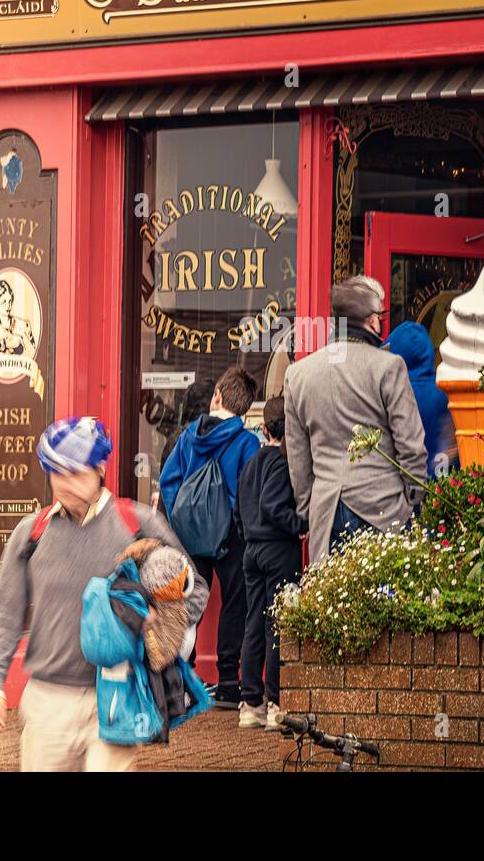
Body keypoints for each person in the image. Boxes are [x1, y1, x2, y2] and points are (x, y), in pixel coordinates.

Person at [0, 416, 209, 771]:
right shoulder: (31, 533)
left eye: (76, 472)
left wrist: (160, 624)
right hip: (48, 699)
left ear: (100, 468)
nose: (65, 483)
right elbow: (4, 614)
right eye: (57, 472)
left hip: (118, 694)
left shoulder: (138, 523)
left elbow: (194, 589)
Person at [284, 276, 427, 564]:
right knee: (386, 601)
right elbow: (410, 444)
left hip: (327, 510)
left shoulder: (298, 374)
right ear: (373, 320)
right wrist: (414, 499)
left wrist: (308, 507)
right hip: (383, 507)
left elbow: (297, 457)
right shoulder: (389, 367)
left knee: (333, 603)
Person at [159, 367, 260, 709]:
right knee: (235, 603)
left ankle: (181, 681)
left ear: (217, 394)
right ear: (245, 407)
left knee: (190, 604)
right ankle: (230, 682)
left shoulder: (189, 436)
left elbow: (168, 480)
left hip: (189, 536)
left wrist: (181, 521)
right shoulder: (247, 442)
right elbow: (250, 493)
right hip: (231, 535)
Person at [234, 397, 306, 731]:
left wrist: (248, 536)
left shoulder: (252, 462)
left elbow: (240, 511)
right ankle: (277, 703)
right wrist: (301, 524)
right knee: (277, 624)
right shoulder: (282, 463)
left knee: (253, 622)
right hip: (278, 550)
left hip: (252, 550)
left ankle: (250, 703)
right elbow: (274, 508)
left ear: (264, 429)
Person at [385, 320, 457, 479]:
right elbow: (450, 449)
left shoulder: (392, 394)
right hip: (438, 488)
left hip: (400, 487)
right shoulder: (442, 395)